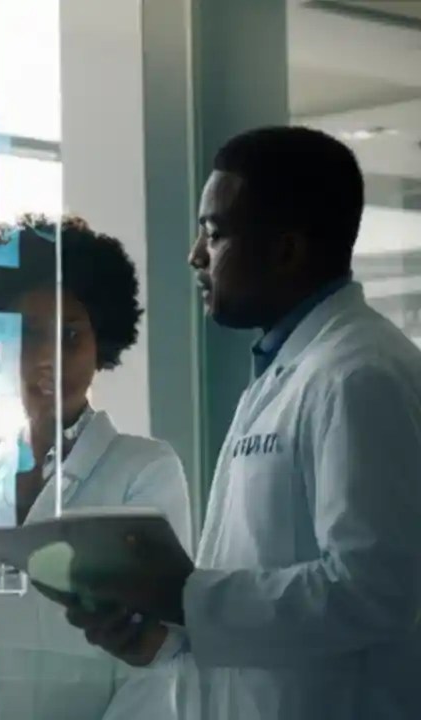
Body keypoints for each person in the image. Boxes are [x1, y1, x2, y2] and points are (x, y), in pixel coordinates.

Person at [63, 126, 421, 720]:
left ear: (286, 249)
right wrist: (169, 632)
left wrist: (186, 595)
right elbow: (265, 589)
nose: (195, 255)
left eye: (214, 232)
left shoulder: (360, 376)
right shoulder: (293, 369)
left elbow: (374, 591)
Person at [0, 215, 192, 719]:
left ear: (101, 346)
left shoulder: (144, 469)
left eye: (70, 336)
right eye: (28, 335)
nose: (48, 359)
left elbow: (156, 653)